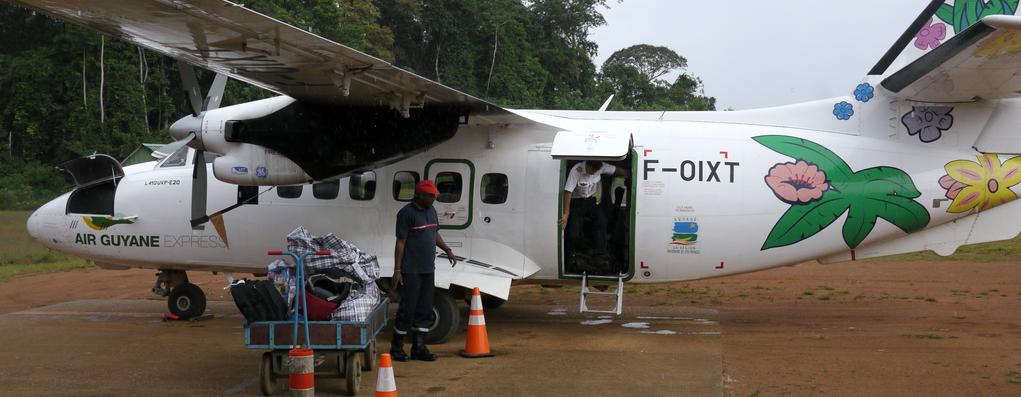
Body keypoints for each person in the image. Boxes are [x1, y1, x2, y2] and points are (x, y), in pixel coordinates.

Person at [390, 180, 456, 362]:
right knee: (407, 309)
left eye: (435, 195)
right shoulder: (406, 214)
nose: (434, 198)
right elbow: (401, 242)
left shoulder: (431, 211)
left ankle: (419, 347)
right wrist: (397, 269)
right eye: (431, 195)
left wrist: (447, 249)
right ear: (420, 195)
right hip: (411, 270)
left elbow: (434, 233)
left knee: (425, 308)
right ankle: (396, 347)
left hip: (428, 269)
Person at [559, 160, 628, 253]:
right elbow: (568, 191)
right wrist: (566, 214)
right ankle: (576, 252)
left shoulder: (601, 166)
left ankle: (601, 251)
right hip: (577, 202)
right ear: (587, 166)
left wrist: (630, 173)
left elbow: (616, 170)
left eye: (596, 171)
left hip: (590, 201)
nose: (593, 173)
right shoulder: (576, 170)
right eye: (592, 171)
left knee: (602, 221)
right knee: (573, 232)